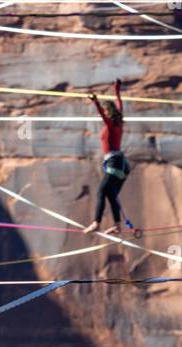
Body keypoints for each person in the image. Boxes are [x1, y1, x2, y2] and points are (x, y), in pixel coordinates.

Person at [83, 79, 129, 235]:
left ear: (108, 112)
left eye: (106, 111)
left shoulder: (110, 124)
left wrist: (95, 102)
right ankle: (117, 225)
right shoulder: (119, 123)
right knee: (111, 194)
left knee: (102, 192)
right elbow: (119, 103)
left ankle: (96, 222)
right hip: (120, 164)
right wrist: (116, 90)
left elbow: (103, 115)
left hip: (115, 162)